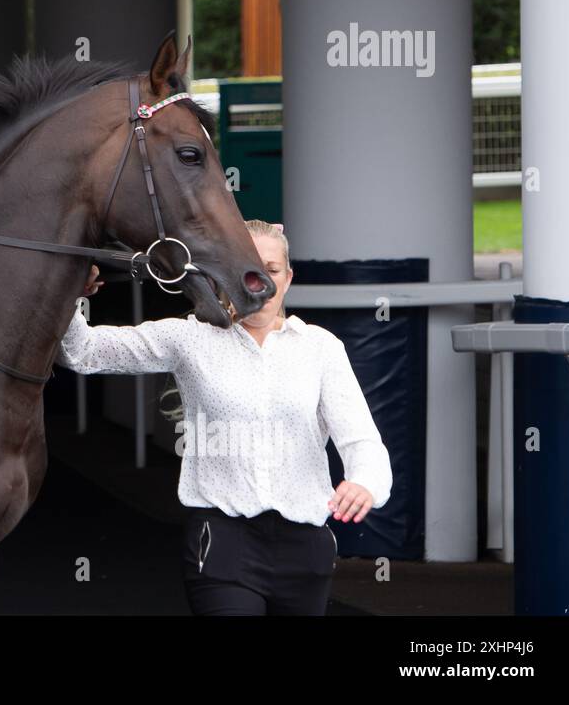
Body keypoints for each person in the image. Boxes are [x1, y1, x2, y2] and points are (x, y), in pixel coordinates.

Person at [57, 220, 393, 616]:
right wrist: (66, 290)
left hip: (305, 549)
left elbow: (362, 441)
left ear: (287, 278)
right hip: (222, 545)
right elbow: (84, 352)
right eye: (248, 269)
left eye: (271, 269)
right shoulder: (191, 338)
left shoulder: (321, 348)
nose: (260, 282)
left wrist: (365, 482)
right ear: (224, 272)